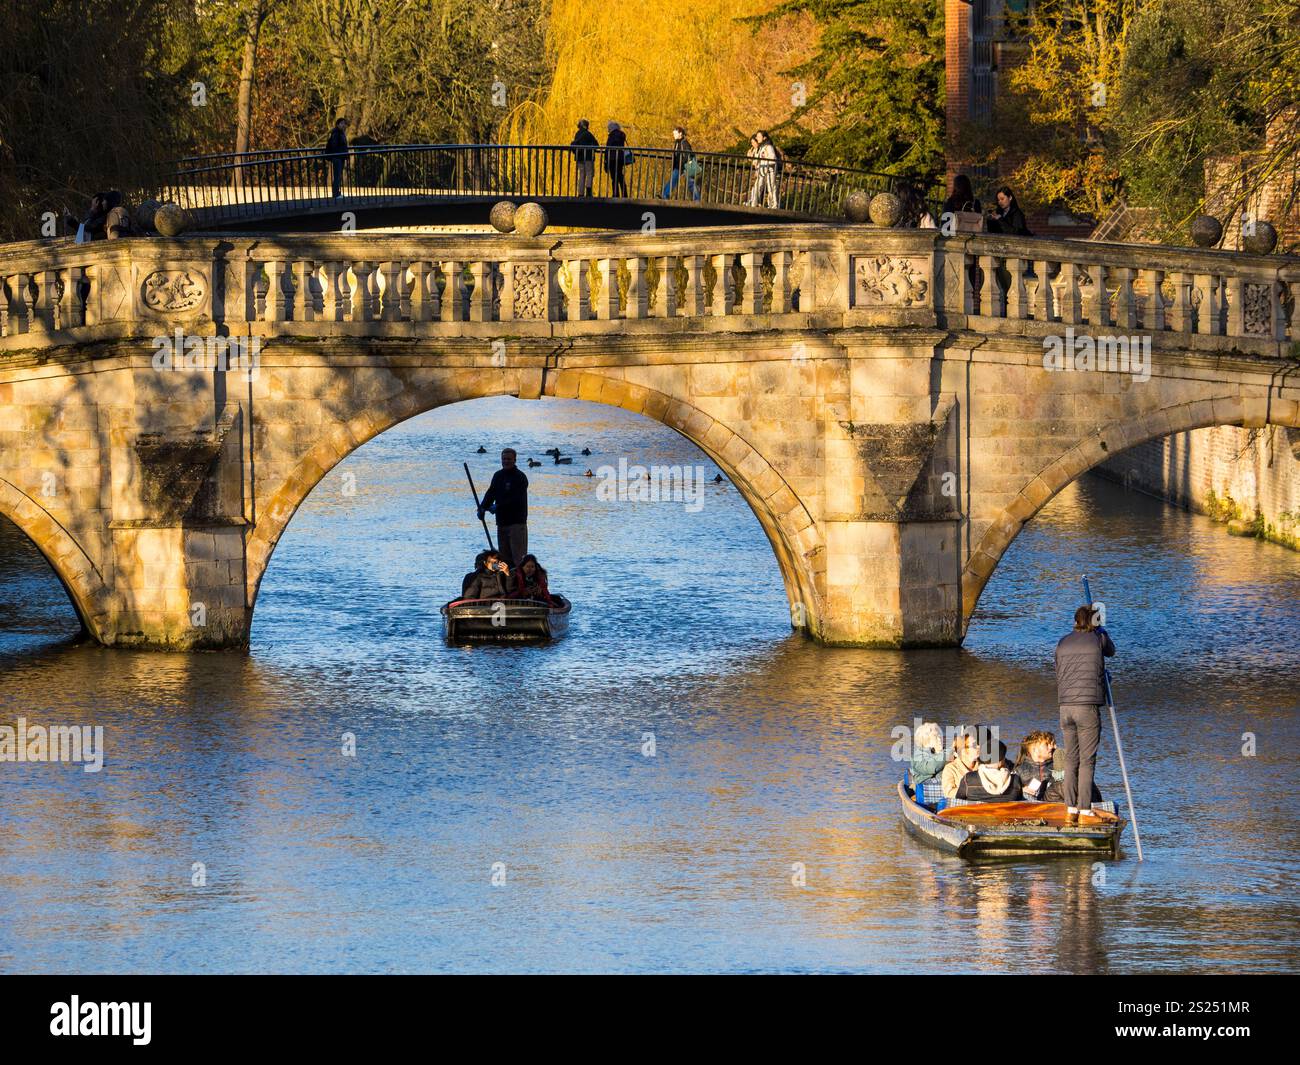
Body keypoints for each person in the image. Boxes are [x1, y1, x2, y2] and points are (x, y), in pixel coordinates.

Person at [1055, 605, 1117, 823]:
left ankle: (1070, 808)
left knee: (1071, 758)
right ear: (1094, 622)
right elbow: (1111, 651)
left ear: (1075, 621)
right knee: (1087, 760)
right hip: (1087, 707)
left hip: (1065, 707)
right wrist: (1103, 632)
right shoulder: (1097, 640)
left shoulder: (1063, 642)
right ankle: (1084, 809)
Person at [478, 448, 529, 570]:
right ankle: (507, 584)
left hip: (516, 524)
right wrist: (482, 508)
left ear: (515, 460)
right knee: (505, 559)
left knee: (518, 559)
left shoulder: (520, 478)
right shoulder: (498, 476)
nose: (506, 461)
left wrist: (498, 507)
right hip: (502, 523)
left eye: (509, 459)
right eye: (504, 459)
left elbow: (515, 499)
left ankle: (520, 584)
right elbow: (491, 493)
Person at [956, 740, 1024, 802]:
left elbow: (959, 801)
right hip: (1005, 814)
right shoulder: (1015, 780)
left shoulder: (969, 778)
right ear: (1001, 759)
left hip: (977, 814)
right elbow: (1020, 802)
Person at [1015, 730, 1062, 802]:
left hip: (1051, 802)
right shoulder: (1019, 769)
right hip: (1028, 804)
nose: (1052, 747)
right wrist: (1021, 790)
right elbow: (1009, 790)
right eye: (1047, 745)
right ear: (1035, 750)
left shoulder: (1056, 765)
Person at [661, 126, 701, 201]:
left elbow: (689, 154)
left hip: (686, 166)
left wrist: (684, 163)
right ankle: (664, 196)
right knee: (672, 181)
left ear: (680, 134)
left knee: (691, 184)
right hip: (678, 167)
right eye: (674, 134)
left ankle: (697, 199)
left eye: (675, 133)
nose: (674, 135)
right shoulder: (676, 143)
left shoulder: (685, 143)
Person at [941, 727, 982, 799]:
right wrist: (972, 790)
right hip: (961, 807)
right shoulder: (950, 769)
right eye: (974, 745)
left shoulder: (984, 766)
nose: (978, 747)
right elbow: (949, 793)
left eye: (978, 744)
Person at [747, 131, 779, 209]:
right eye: (757, 136)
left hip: (769, 170)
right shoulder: (761, 148)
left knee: (771, 187)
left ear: (764, 138)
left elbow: (773, 159)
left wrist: (765, 162)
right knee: (757, 187)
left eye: (759, 136)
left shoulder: (769, 147)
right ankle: (753, 204)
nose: (757, 138)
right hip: (762, 171)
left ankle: (773, 205)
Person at [910, 722, 947, 789]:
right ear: (925, 739)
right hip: (926, 789)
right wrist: (946, 754)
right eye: (935, 736)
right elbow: (932, 768)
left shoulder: (943, 752)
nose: (939, 739)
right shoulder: (918, 755)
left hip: (943, 787)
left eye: (939, 736)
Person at [571, 118, 598, 197]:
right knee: (589, 173)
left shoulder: (577, 134)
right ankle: (588, 191)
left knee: (581, 174)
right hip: (588, 157)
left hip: (579, 157)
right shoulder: (588, 134)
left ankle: (580, 193)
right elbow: (596, 145)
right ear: (586, 125)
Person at [325, 117, 349, 199]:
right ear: (337, 124)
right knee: (337, 176)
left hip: (340, 157)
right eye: (342, 123)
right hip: (337, 157)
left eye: (344, 124)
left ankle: (337, 193)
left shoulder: (341, 133)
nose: (344, 125)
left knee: (338, 176)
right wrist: (340, 153)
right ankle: (335, 194)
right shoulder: (336, 133)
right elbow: (334, 145)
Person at [605, 121, 628, 198]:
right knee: (620, 176)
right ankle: (625, 194)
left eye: (608, 128)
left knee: (614, 177)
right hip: (620, 158)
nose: (608, 130)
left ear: (611, 128)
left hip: (612, 159)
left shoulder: (611, 136)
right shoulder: (621, 135)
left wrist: (605, 161)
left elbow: (607, 148)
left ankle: (616, 194)